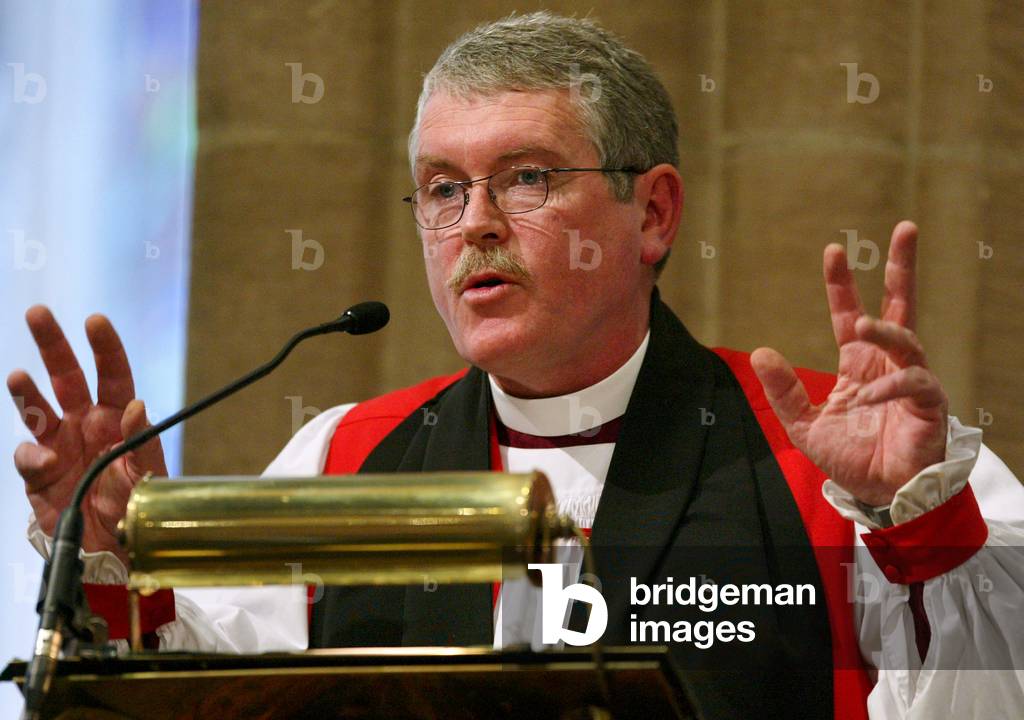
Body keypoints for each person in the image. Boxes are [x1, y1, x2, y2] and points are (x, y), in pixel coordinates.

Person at [9, 11, 1023, 720]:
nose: (475, 225)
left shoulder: (861, 465)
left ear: (653, 213)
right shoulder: (343, 456)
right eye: (442, 188)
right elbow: (211, 695)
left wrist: (918, 526)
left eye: (526, 177)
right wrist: (99, 558)